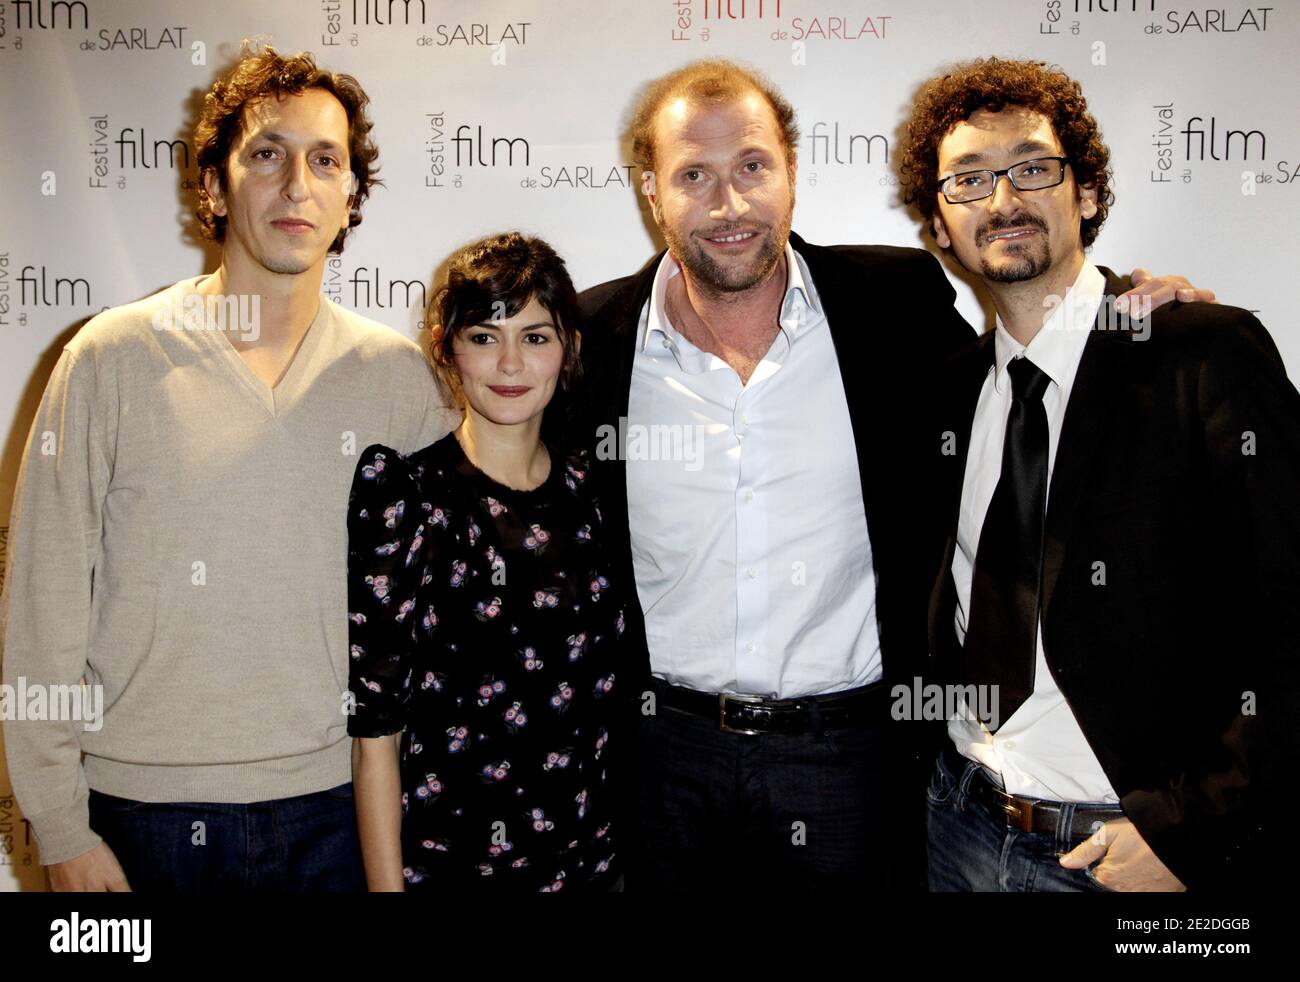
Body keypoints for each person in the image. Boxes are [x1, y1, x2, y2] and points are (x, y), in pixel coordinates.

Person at [573, 58, 1210, 892]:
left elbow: (1028, 349)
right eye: (694, 175)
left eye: (753, 167)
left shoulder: (891, 300)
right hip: (663, 759)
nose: (729, 204)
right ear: (652, 193)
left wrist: (1134, 305)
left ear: (792, 174)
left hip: (854, 759)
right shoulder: (590, 342)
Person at [0, 46, 456, 891]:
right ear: (213, 185)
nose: (297, 184)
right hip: (138, 822)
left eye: (326, 160)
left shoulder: (402, 383)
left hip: (343, 815)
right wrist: (58, 828)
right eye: (266, 154)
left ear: (350, 196)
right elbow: (42, 608)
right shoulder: (109, 359)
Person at [901, 57, 1300, 892]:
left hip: (1123, 856)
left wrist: (1195, 830)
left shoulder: (1203, 356)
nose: (1002, 200)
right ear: (939, 226)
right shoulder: (944, 391)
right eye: (967, 180)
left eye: (1031, 167)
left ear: (1084, 193)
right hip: (957, 820)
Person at [347, 233, 628, 893]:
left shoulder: (599, 490)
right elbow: (375, 737)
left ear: (570, 350)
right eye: (483, 336)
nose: (510, 363)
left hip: (591, 869)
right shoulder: (406, 495)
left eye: (535, 337)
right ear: (447, 349)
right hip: (451, 871)